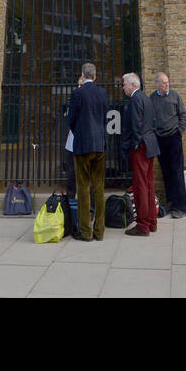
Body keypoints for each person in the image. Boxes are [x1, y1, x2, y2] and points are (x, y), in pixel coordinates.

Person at [66, 62, 108, 241]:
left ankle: (85, 231)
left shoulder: (78, 93)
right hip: (99, 144)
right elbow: (105, 117)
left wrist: (79, 133)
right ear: (95, 76)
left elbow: (71, 120)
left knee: (83, 188)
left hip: (83, 145)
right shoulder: (103, 93)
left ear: (83, 75)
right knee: (99, 187)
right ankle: (99, 230)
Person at [120, 73, 159, 236]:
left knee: (140, 185)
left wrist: (135, 145)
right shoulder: (146, 98)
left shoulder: (135, 99)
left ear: (132, 85)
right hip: (150, 144)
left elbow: (136, 125)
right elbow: (152, 122)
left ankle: (142, 225)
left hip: (140, 146)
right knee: (148, 183)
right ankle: (151, 221)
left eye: (124, 84)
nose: (123, 87)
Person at [149, 71, 186, 218]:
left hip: (174, 137)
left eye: (167, 82)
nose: (166, 85)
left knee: (177, 171)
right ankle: (171, 202)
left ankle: (181, 207)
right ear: (157, 84)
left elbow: (183, 116)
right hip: (160, 138)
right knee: (165, 171)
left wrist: (179, 131)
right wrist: (154, 132)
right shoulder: (152, 98)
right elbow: (150, 118)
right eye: (163, 83)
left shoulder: (175, 96)